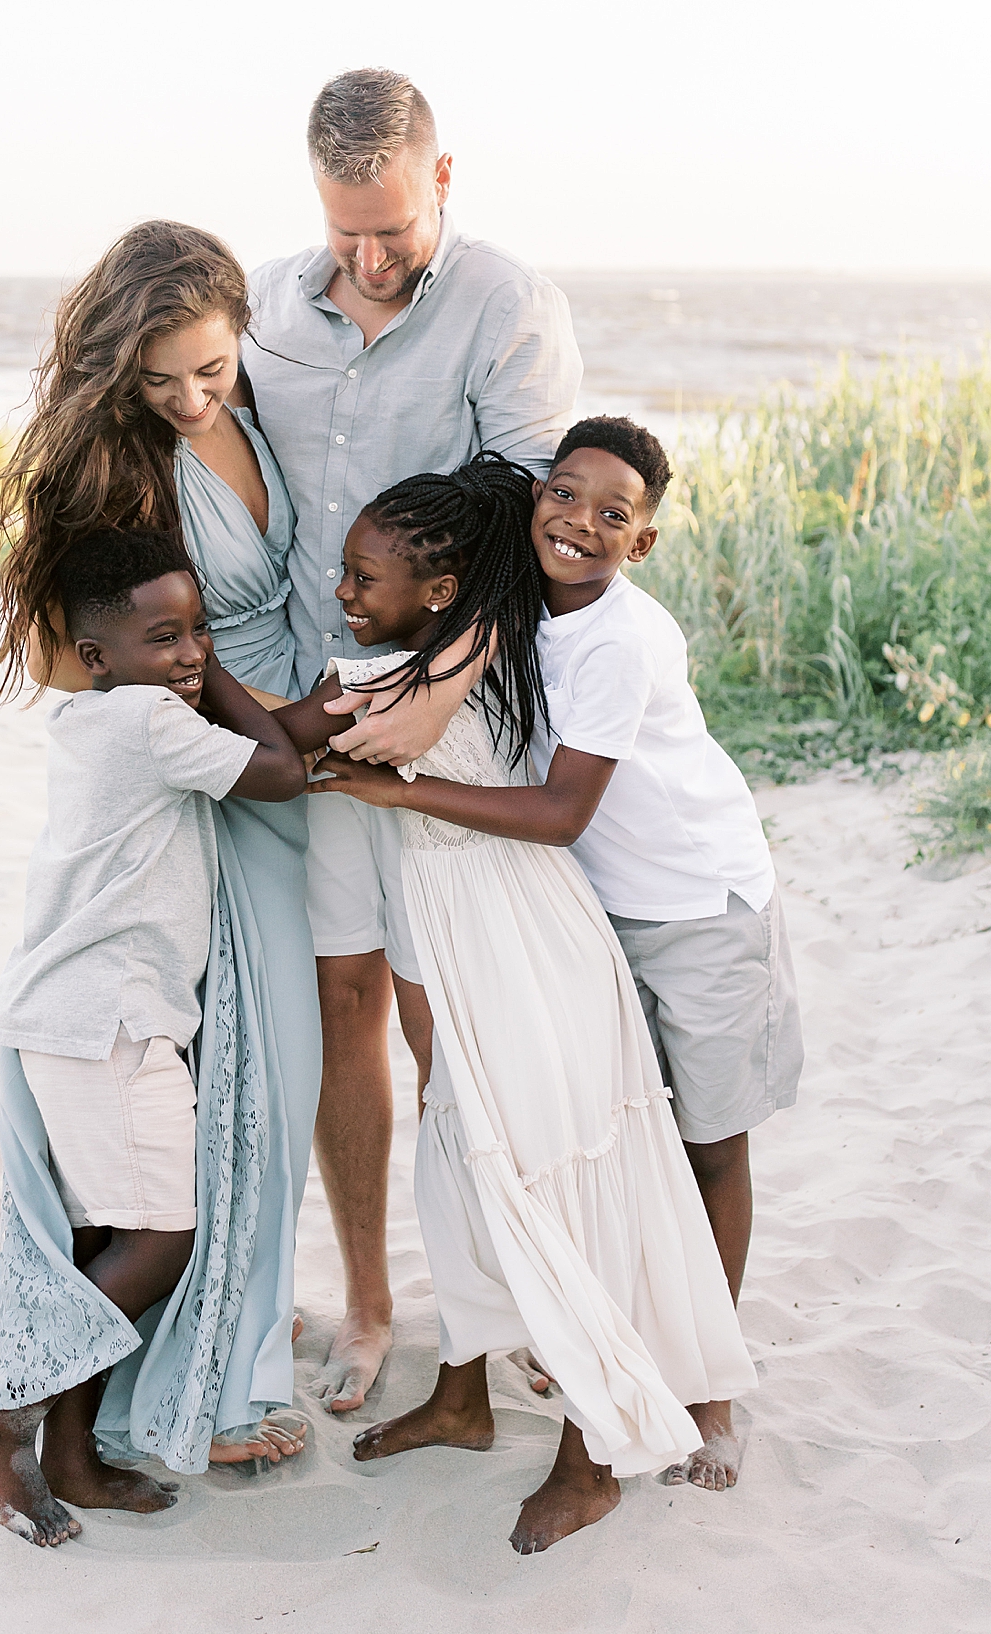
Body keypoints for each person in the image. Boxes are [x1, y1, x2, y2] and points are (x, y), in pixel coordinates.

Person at [274, 456, 755, 1556]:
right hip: (451, 932)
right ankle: (461, 1397)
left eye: (362, 575)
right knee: (459, 1159)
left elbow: (280, 746)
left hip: (518, 935)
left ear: (438, 590)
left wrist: (168, 670)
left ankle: (590, 1460)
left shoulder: (397, 681)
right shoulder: (471, 644)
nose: (343, 593)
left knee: (546, 1168)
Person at [241, 67, 582, 1413]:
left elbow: (535, 541)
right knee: (346, 1002)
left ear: (443, 178)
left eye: (394, 226)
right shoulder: (268, 302)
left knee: (462, 1013)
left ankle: (514, 1298)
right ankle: (376, 1303)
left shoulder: (509, 307)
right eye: (346, 232)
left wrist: (413, 717)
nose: (370, 258)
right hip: (309, 709)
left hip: (450, 715)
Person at [0, 223, 322, 1470]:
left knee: (279, 1081)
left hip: (282, 743)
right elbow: (60, 659)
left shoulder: (263, 406)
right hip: (213, 774)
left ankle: (235, 1330)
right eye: (158, 379)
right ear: (116, 370)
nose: (188, 399)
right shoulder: (115, 471)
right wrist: (198, 686)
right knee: (235, 1073)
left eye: (210, 370)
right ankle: (194, 1384)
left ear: (243, 334)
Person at [0, 531, 307, 1547]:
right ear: (97, 655)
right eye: (163, 637)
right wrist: (225, 677)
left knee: (108, 1239)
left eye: (199, 628)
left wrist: (196, 667)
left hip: (84, 1019)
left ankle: (71, 1457)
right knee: (162, 1240)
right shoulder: (149, 720)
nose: (189, 652)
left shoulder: (91, 718)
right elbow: (281, 769)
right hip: (109, 1026)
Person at [523, 414, 802, 1489]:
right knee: (623, 1140)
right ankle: (622, 1340)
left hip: (699, 905)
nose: (579, 522)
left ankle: (708, 1390)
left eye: (611, 514)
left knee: (708, 1143)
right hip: (602, 908)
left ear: (638, 544)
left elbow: (557, 810)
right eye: (563, 494)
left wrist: (369, 778)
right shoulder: (524, 602)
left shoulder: (623, 636)